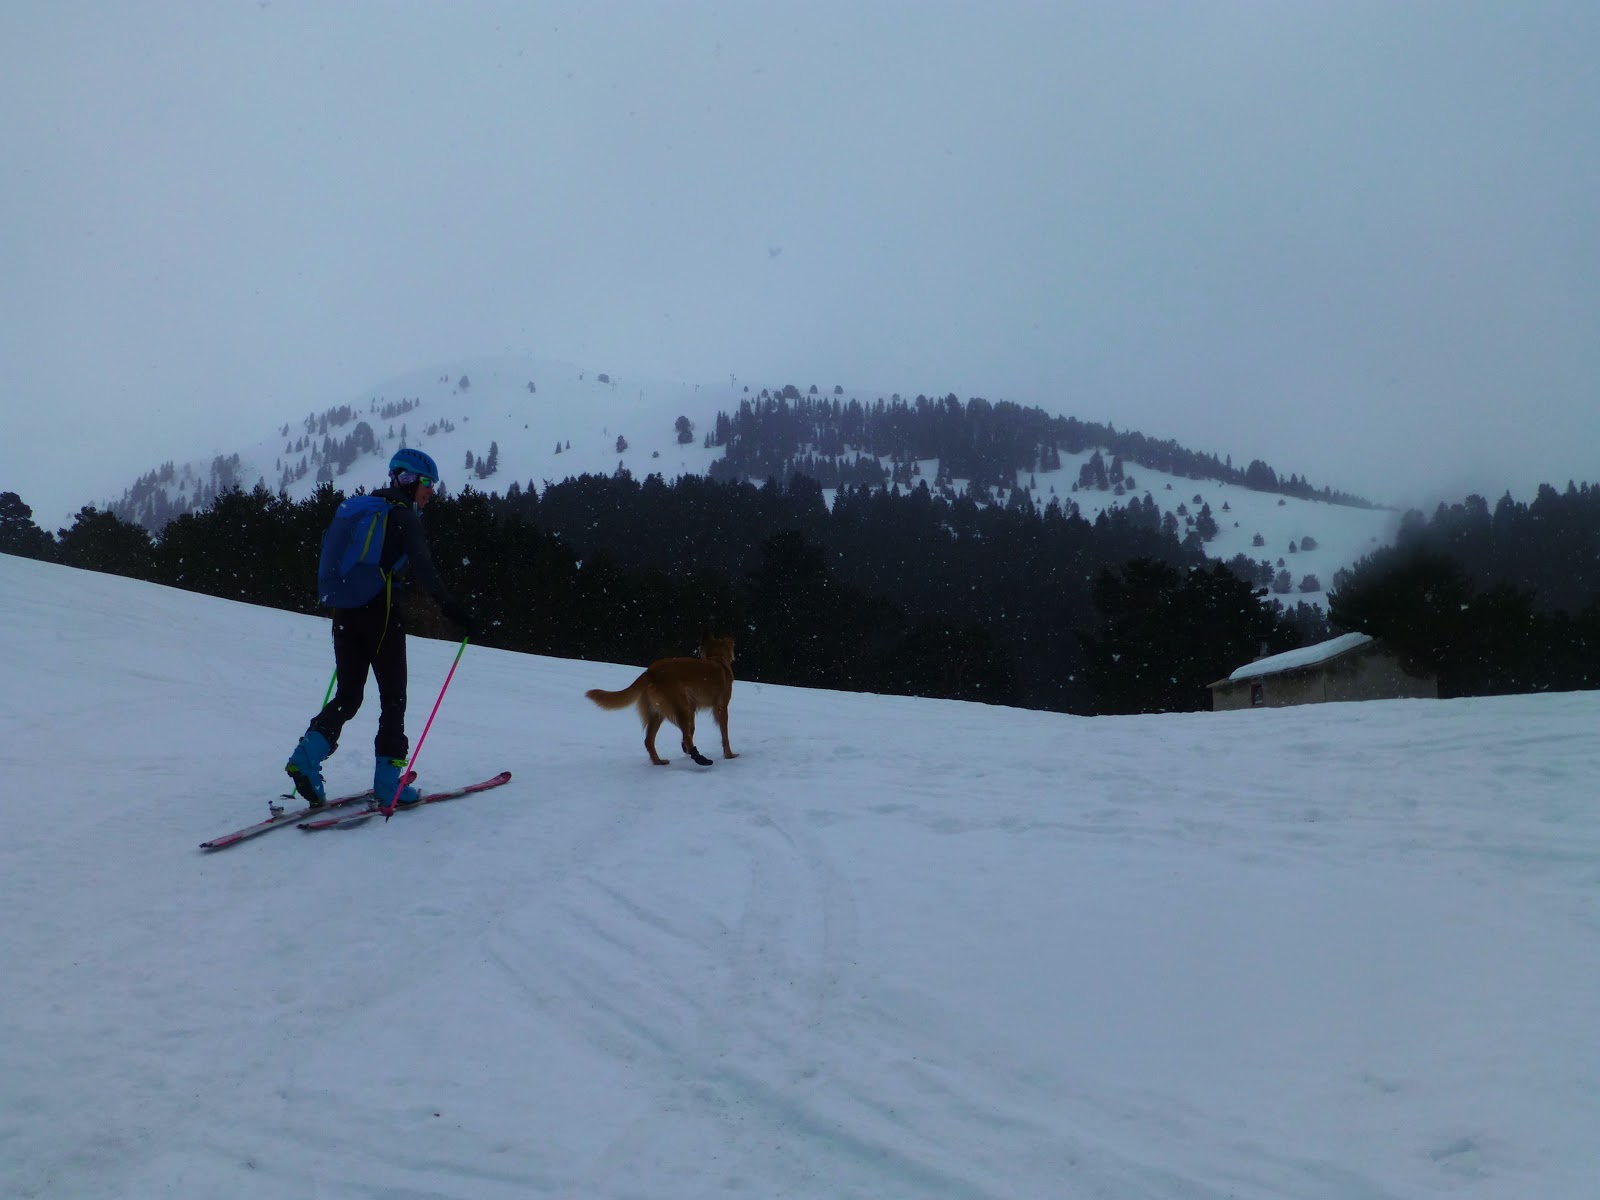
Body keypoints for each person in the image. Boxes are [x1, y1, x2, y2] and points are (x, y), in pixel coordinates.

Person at [285, 448, 477, 808]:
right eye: (428, 482)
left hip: (345, 611)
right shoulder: (403, 516)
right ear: (410, 480)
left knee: (348, 696)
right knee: (393, 697)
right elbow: (424, 569)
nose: (431, 491)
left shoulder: (365, 509)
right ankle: (389, 783)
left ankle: (306, 756)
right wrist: (455, 612)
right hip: (381, 613)